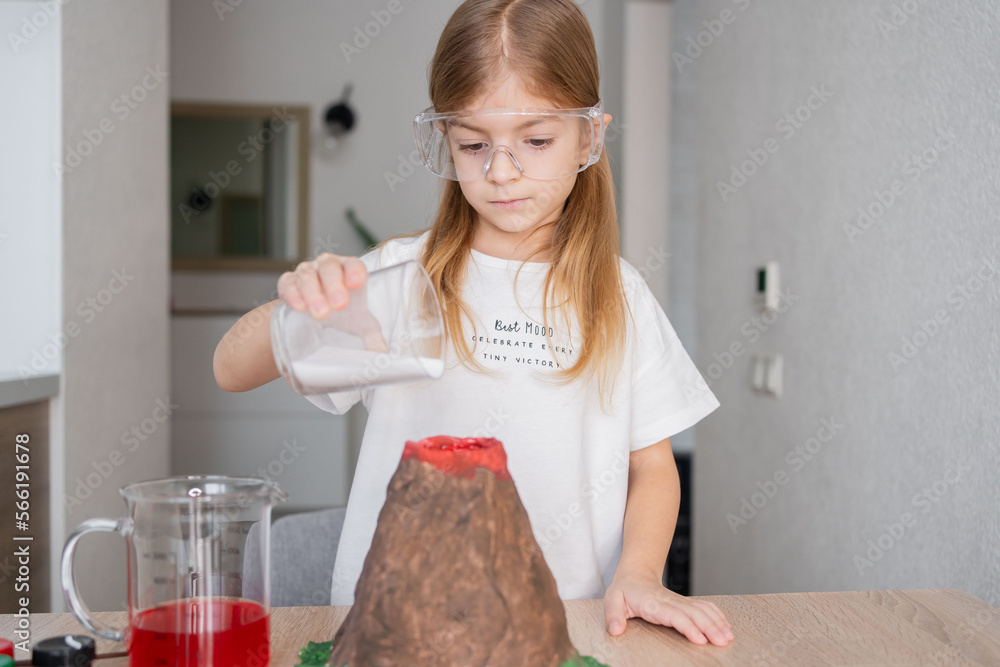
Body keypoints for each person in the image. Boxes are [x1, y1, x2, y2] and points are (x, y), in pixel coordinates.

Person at [214, 0, 733, 648]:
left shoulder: (620, 297)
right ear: (444, 138)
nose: (502, 171)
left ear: (589, 136)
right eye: (473, 143)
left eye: (536, 141)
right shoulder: (400, 281)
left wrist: (639, 572)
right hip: (394, 637)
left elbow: (653, 466)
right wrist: (300, 307)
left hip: (561, 631)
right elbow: (229, 369)